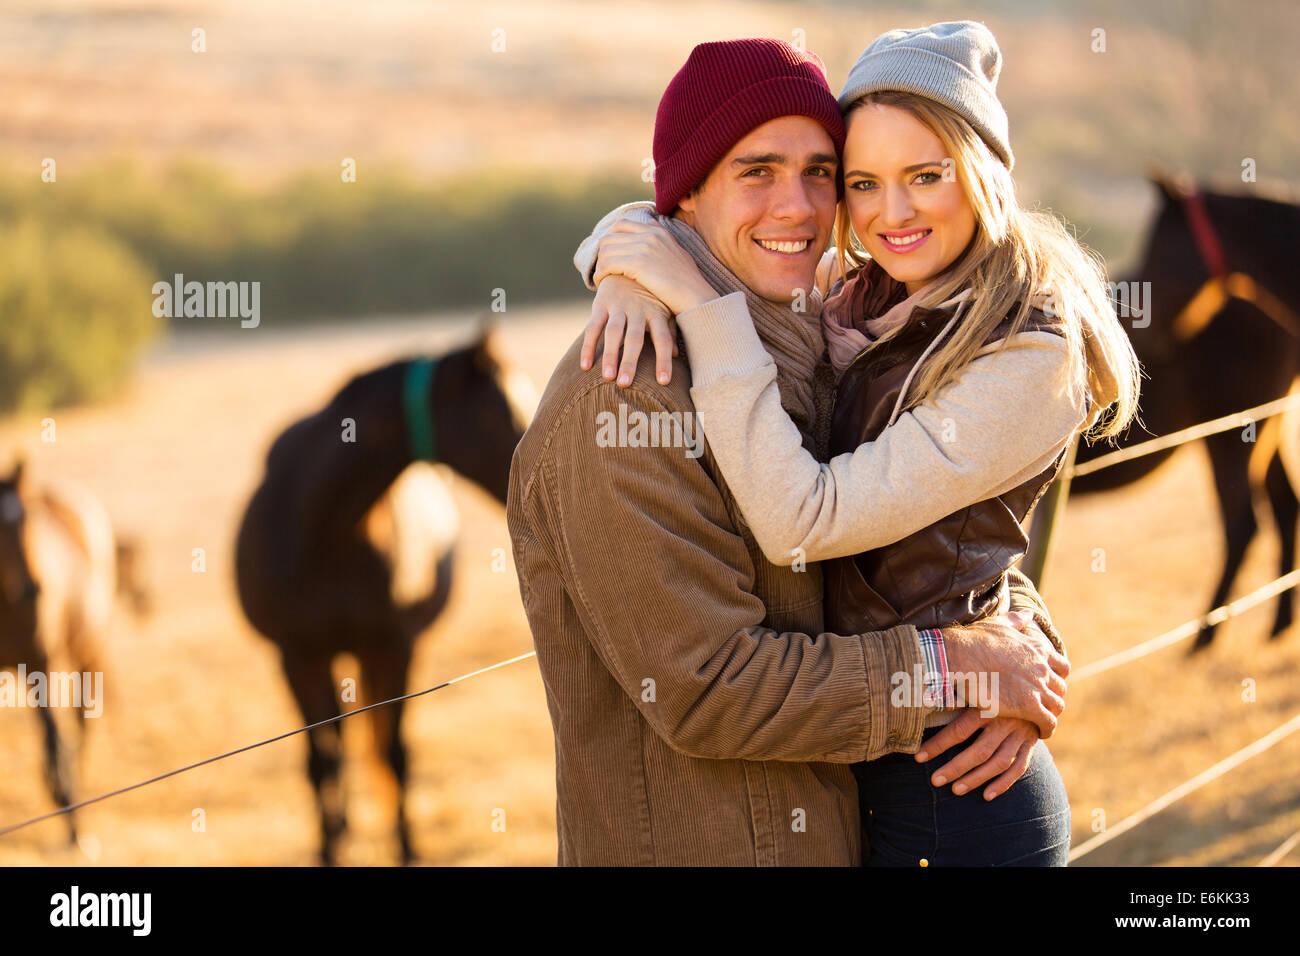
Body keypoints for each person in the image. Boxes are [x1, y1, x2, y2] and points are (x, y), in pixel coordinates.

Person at [574, 22, 1140, 866]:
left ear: (982, 171)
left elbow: (809, 521)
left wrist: (699, 307)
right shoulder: (863, 291)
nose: (893, 212)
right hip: (868, 765)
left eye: (926, 176)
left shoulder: (1027, 350)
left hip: (954, 795)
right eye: (865, 182)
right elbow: (700, 206)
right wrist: (621, 259)